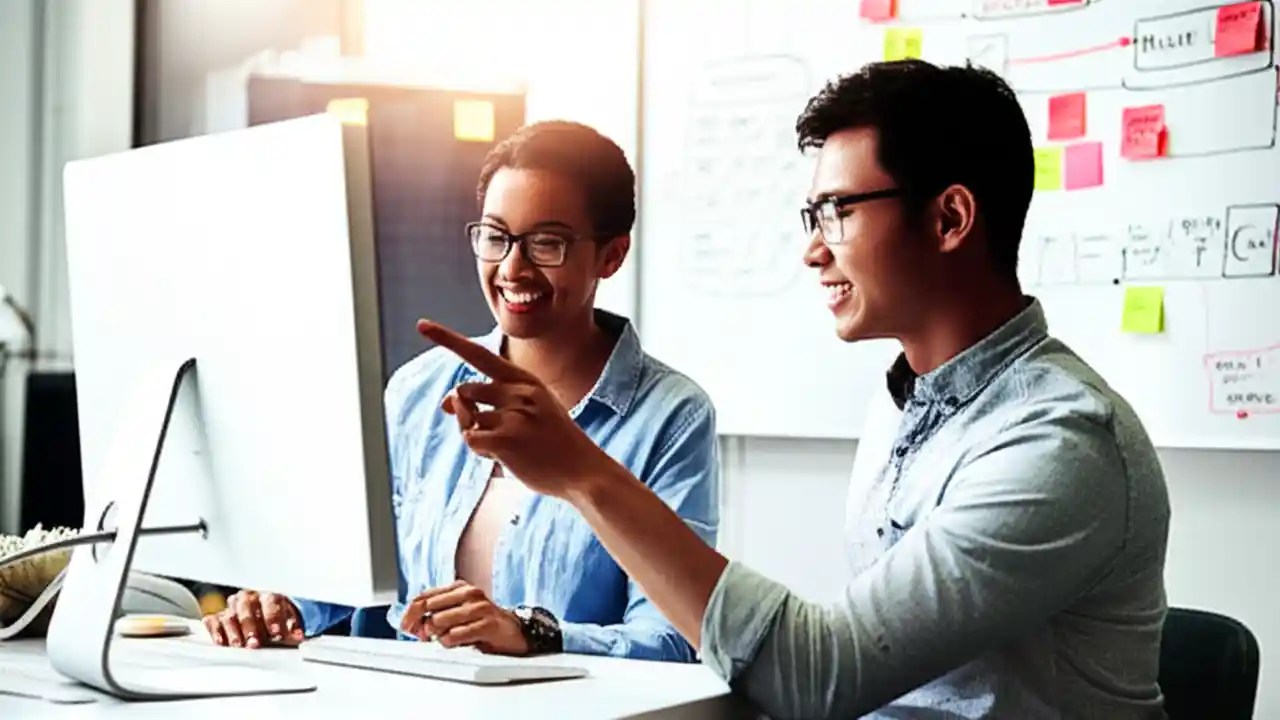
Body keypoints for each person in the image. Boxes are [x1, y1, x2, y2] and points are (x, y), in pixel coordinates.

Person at [414, 61, 1171, 718]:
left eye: (838, 211)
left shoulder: (1059, 440)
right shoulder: (910, 402)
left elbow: (820, 676)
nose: (813, 249)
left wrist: (581, 472)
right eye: (813, 214)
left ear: (949, 218)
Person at [201, 120, 720, 662]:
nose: (512, 268)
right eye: (496, 237)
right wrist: (282, 602)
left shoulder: (670, 417)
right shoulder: (419, 391)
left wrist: (528, 632)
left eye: (547, 243)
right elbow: (361, 574)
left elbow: (675, 638)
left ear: (611, 256)